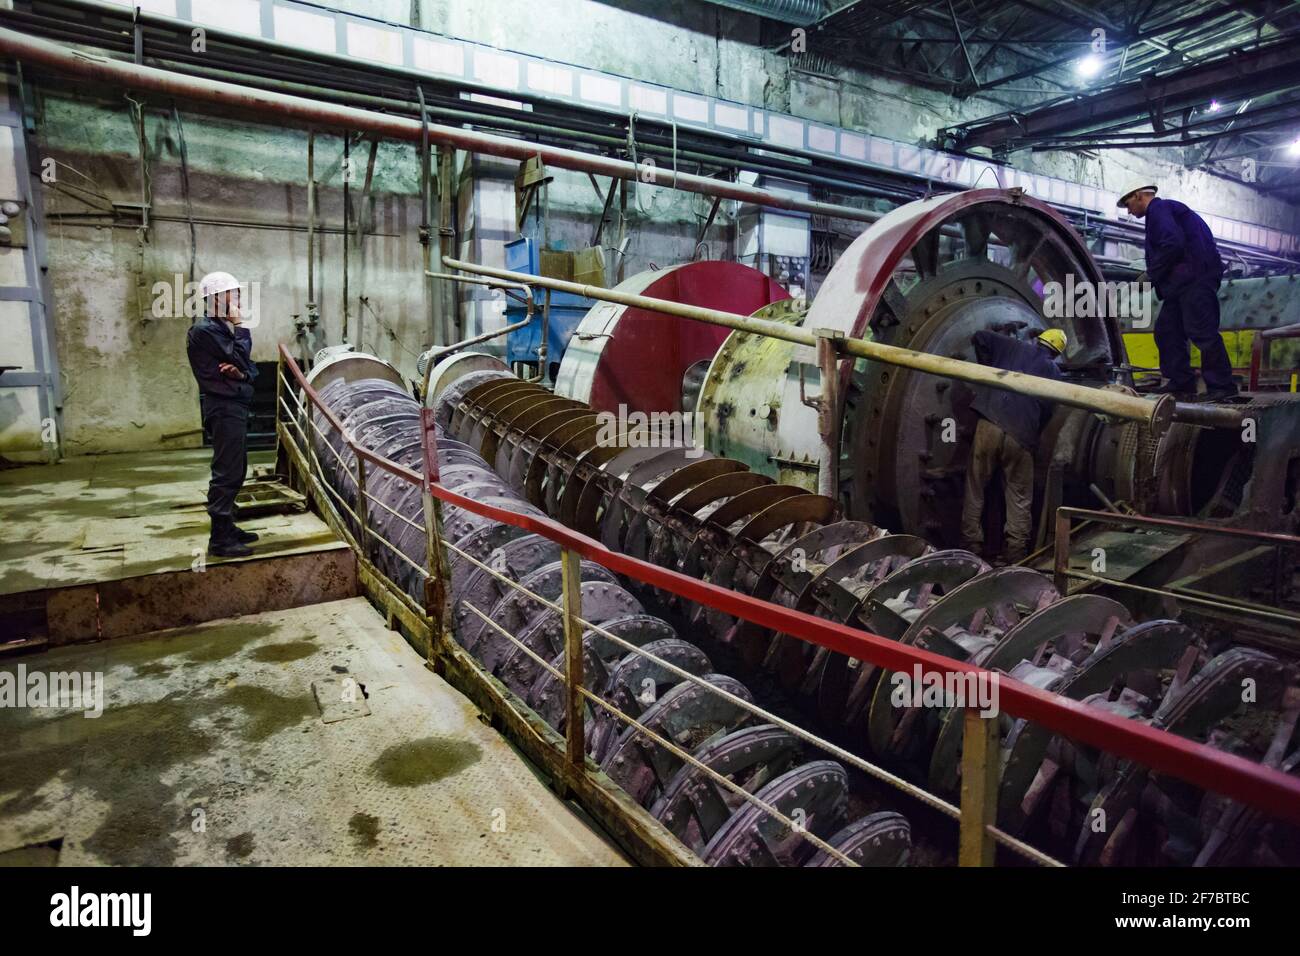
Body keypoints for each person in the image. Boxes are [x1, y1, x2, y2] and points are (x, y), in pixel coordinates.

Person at [1117, 182, 1236, 401]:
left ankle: (1222, 386)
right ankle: (1181, 383)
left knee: (1202, 331)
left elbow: (1172, 244)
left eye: (1128, 204)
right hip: (1182, 284)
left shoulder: (1159, 210)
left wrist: (1152, 274)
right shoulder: (1167, 211)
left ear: (1138, 195)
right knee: (1167, 330)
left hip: (1195, 280)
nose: (1129, 211)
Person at [960, 327, 1066, 564]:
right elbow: (1049, 410)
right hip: (1021, 436)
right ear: (1056, 353)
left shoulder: (1011, 346)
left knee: (975, 487)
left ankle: (971, 547)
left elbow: (980, 336)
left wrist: (990, 374)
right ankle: (1015, 555)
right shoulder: (1054, 371)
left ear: (1038, 340)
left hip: (988, 423)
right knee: (1019, 498)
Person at [186, 271, 260, 558]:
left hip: (234, 406)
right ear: (217, 298)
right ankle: (219, 538)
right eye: (234, 293)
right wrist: (241, 327)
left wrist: (240, 371)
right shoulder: (204, 330)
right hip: (223, 407)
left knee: (237, 468)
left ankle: (228, 527)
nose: (238, 299)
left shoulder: (220, 330)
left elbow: (251, 369)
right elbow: (243, 356)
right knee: (226, 471)